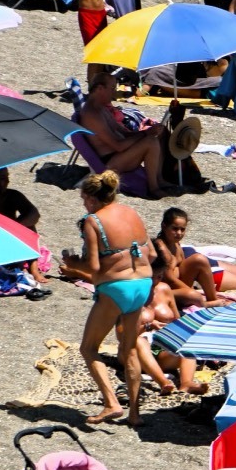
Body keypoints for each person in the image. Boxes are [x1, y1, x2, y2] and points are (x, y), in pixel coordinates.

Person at [64, 172, 154, 428]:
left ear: (92, 199)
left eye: (84, 199)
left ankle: (111, 403)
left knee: (89, 348)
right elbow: (153, 252)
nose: (83, 204)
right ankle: (135, 414)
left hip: (117, 288)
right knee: (130, 348)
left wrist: (73, 264)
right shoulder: (131, 212)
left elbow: (93, 266)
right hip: (143, 284)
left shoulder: (92, 221)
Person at [78, 71, 173, 197]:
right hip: (110, 162)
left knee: (158, 135)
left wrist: (146, 131)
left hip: (118, 153)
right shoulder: (92, 114)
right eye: (112, 89)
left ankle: (159, 179)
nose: (114, 93)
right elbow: (118, 146)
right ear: (100, 88)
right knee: (151, 141)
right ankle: (153, 188)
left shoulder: (101, 109)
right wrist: (145, 135)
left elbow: (123, 132)